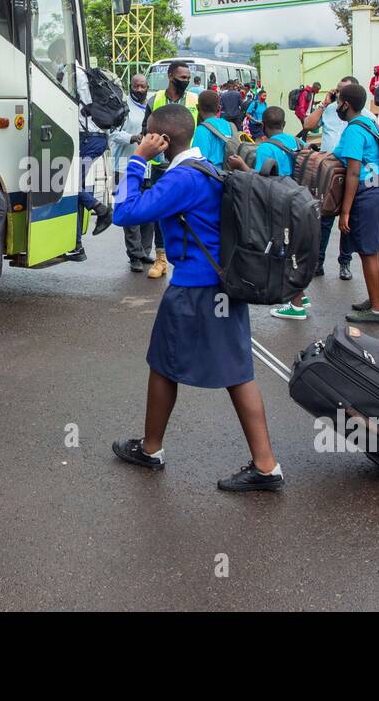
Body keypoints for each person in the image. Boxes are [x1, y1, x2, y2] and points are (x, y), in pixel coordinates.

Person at [110, 104, 285, 492]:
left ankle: (265, 465)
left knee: (211, 371)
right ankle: (153, 447)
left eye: (148, 134)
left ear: (163, 140)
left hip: (195, 289)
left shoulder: (183, 181)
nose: (143, 139)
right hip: (223, 285)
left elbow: (124, 212)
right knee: (185, 367)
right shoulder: (206, 167)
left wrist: (138, 160)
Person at [229, 107, 308, 321]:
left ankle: (296, 303)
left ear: (263, 125)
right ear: (283, 123)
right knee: (297, 249)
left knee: (285, 251)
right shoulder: (296, 142)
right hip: (300, 200)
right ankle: (302, 293)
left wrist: (241, 165)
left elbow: (260, 178)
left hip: (279, 205)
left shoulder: (266, 148)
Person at [300, 75, 368, 280]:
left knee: (347, 222)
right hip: (329, 173)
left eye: (343, 91)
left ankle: (344, 263)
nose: (339, 94)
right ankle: (318, 262)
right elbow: (308, 124)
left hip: (353, 172)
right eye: (337, 90)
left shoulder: (365, 115)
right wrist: (324, 103)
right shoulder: (330, 109)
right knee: (325, 218)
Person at [335, 82, 379, 323]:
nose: (338, 106)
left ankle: (376, 310)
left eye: (339, 101)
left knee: (367, 252)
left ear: (346, 104)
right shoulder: (369, 123)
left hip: (366, 195)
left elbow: (353, 173)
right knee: (374, 249)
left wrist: (345, 211)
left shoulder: (354, 130)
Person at [143, 61, 201, 279]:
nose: (185, 81)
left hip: (188, 165)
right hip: (161, 164)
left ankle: (190, 258)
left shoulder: (195, 100)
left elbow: (205, 127)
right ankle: (161, 259)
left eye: (187, 77)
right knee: (161, 212)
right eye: (181, 77)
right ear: (170, 76)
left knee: (189, 212)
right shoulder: (155, 99)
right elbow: (144, 130)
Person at [67, 50, 114, 263]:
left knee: (70, 186)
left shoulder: (74, 73)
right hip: (94, 138)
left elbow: (82, 103)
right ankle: (77, 246)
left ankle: (101, 210)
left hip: (88, 138)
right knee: (74, 188)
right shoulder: (82, 71)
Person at [110, 73, 155, 273]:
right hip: (122, 166)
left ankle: (145, 251)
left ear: (147, 86)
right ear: (131, 86)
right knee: (129, 213)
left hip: (148, 167)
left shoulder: (152, 106)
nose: (139, 90)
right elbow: (111, 132)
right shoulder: (122, 107)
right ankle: (134, 255)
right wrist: (132, 137)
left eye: (142, 86)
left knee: (149, 212)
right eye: (136, 86)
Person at [193, 90, 237, 166]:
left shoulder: (201, 130)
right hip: (230, 175)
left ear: (197, 107)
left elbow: (198, 163)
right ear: (219, 108)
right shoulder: (230, 126)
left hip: (212, 176)